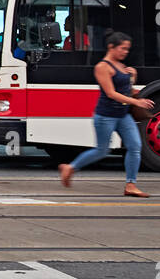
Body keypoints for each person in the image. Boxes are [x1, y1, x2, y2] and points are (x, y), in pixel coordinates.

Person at [58, 31, 154, 198]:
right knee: (102, 151)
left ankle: (131, 185)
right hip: (105, 116)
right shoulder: (102, 67)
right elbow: (111, 93)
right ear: (111, 47)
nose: (125, 52)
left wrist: (133, 79)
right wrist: (136, 102)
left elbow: (126, 90)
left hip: (123, 116)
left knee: (135, 146)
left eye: (127, 49)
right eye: (123, 48)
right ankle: (70, 168)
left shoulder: (122, 67)